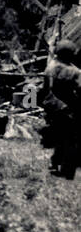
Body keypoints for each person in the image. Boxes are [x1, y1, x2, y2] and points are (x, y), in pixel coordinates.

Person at [42, 40, 81, 180]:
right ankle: (67, 170)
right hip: (69, 109)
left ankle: (55, 163)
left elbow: (45, 89)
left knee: (60, 137)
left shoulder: (50, 67)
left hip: (53, 106)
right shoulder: (75, 71)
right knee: (72, 140)